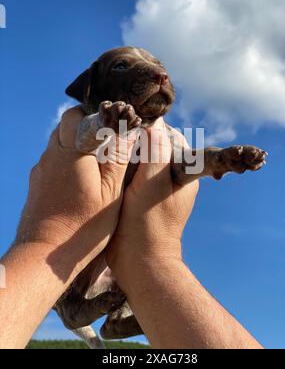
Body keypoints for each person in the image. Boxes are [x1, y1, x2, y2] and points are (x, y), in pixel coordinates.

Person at [0, 108, 262, 349]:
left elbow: (184, 166)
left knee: (112, 289)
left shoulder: (164, 135)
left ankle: (117, 322)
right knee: (71, 301)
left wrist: (220, 159)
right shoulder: (102, 119)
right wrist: (157, 258)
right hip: (82, 267)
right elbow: (87, 135)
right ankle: (99, 317)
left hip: (103, 262)